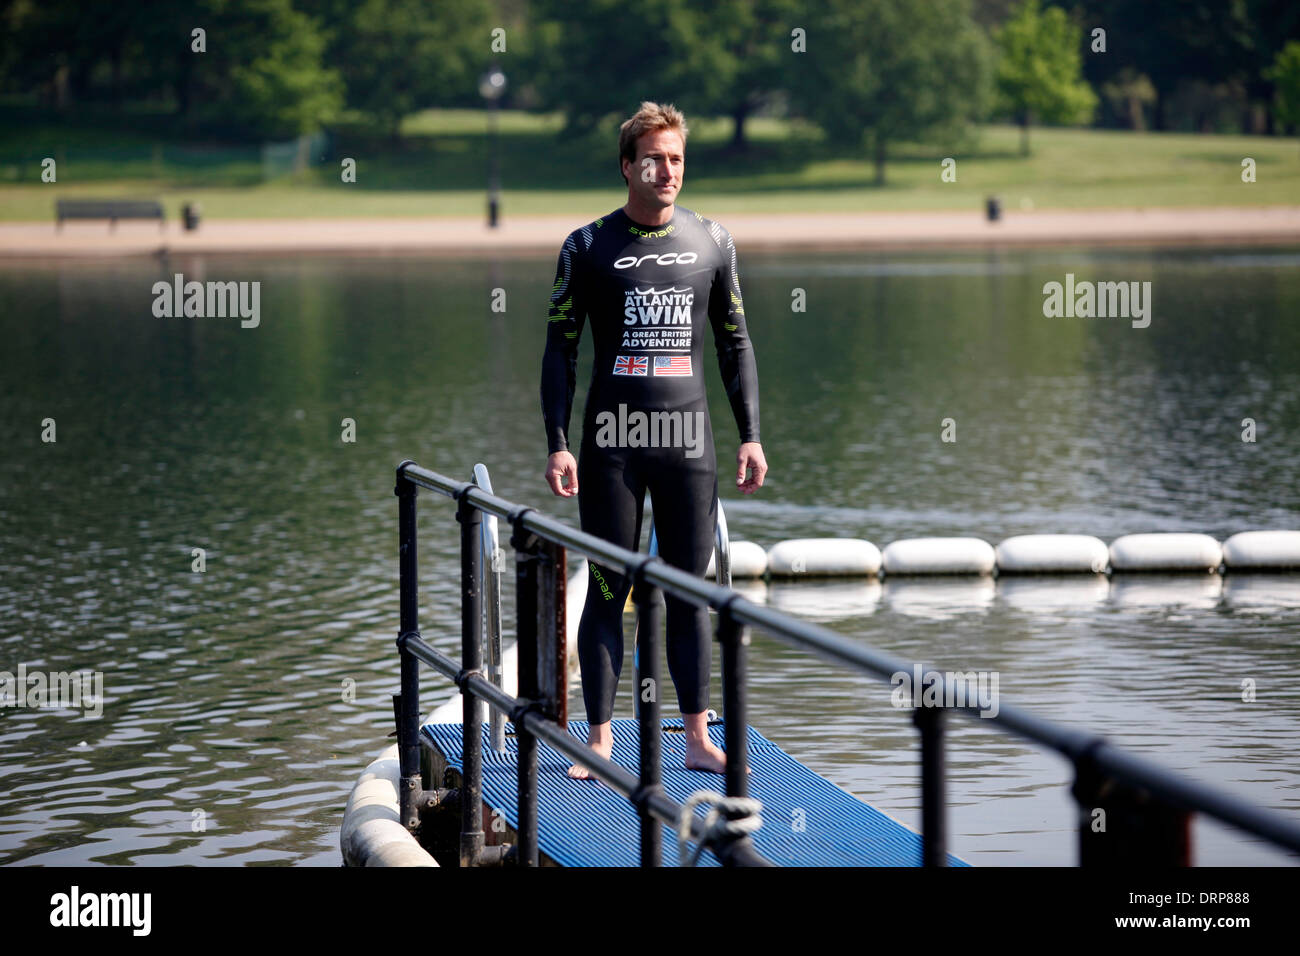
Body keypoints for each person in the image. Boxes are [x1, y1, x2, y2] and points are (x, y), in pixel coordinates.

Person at [539, 101, 767, 778]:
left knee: (688, 592)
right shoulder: (586, 246)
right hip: (612, 441)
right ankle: (602, 740)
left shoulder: (714, 242)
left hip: (687, 441)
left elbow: (735, 344)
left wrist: (751, 436)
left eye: (676, 159)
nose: (667, 170)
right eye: (654, 158)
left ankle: (696, 739)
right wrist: (558, 441)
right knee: (609, 589)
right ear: (626, 166)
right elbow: (560, 350)